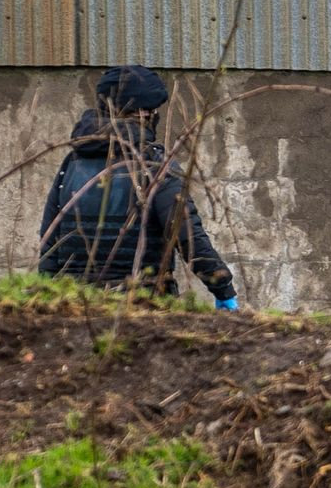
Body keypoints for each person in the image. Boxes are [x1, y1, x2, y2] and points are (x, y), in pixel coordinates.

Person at [38, 65, 239, 310]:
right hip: (142, 303)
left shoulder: (72, 162)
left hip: (75, 303)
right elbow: (186, 234)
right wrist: (222, 288)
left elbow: (50, 240)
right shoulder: (153, 164)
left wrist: (46, 295)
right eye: (153, 110)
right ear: (144, 113)